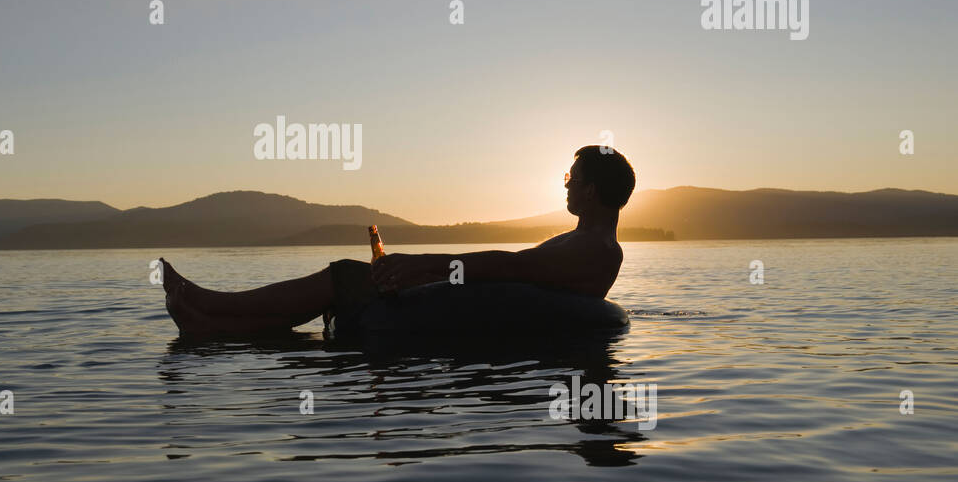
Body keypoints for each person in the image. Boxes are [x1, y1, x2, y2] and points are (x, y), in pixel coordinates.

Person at [161, 146, 635, 336]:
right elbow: (514, 271)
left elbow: (511, 267)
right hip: (461, 304)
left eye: (571, 177)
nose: (566, 184)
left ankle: (215, 306)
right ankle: (214, 324)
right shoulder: (579, 240)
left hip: (469, 314)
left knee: (344, 277)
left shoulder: (596, 248)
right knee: (348, 281)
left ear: (591, 190)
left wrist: (424, 265)